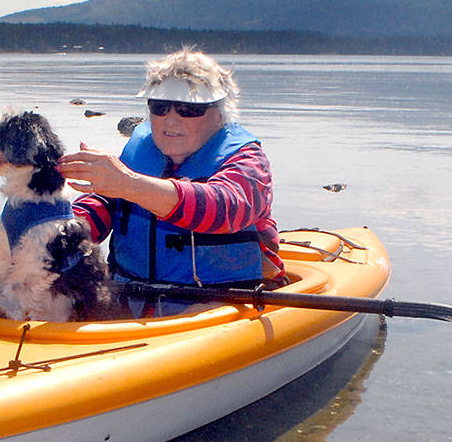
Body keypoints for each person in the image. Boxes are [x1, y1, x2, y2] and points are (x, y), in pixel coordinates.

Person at [58, 48, 285, 316]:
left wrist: (130, 184)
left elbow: (226, 207)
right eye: (160, 107)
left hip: (224, 302)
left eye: (189, 109)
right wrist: (60, 232)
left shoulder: (247, 160)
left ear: (220, 113)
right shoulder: (137, 156)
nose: (171, 120)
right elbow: (102, 202)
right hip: (130, 299)